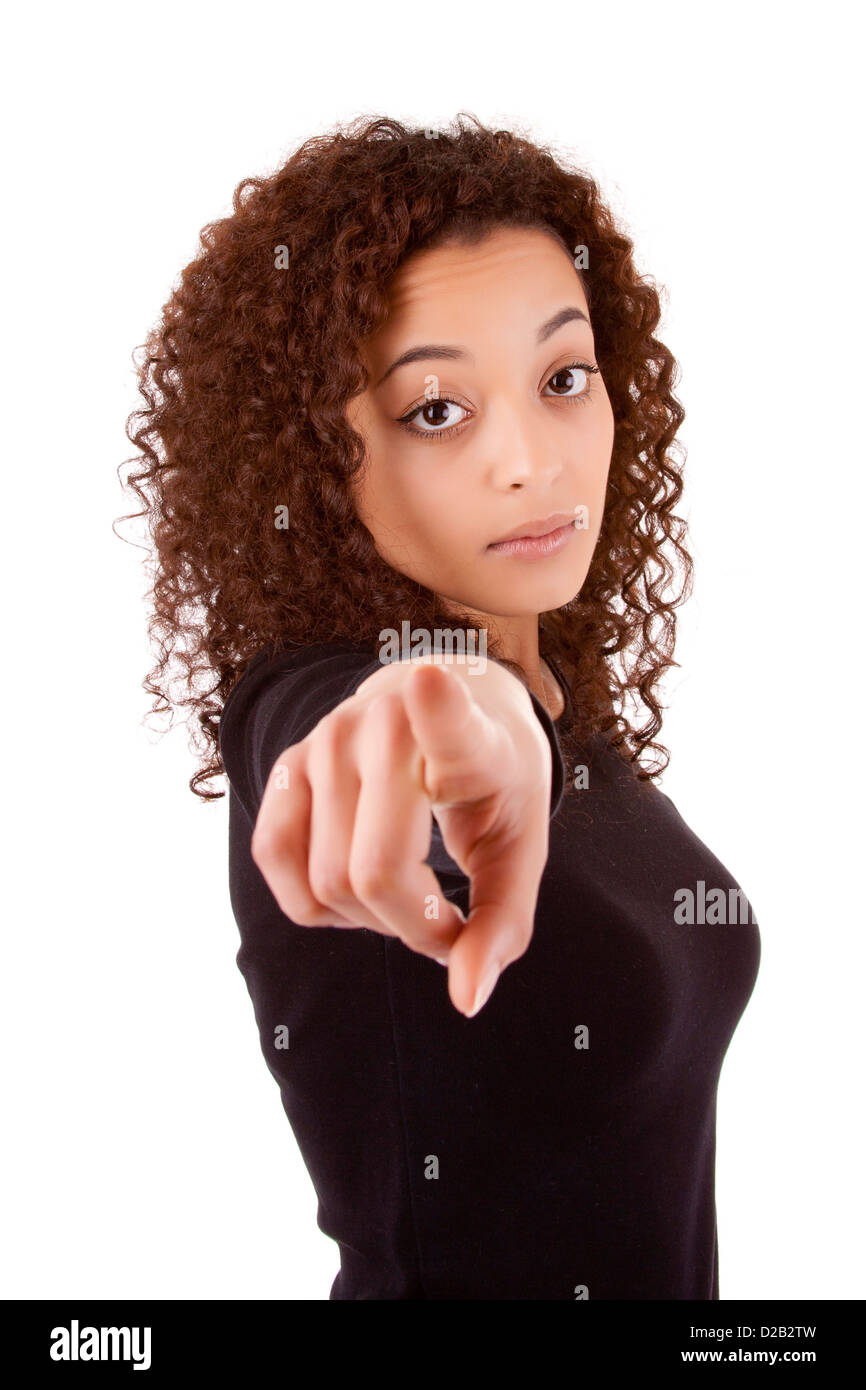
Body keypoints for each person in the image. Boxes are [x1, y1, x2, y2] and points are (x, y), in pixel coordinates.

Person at [120, 114, 761, 1300]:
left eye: (562, 378)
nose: (531, 458)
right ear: (315, 458)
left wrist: (517, 705)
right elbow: (376, 716)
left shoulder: (562, 708)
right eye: (434, 408)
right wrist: (460, 706)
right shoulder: (325, 696)